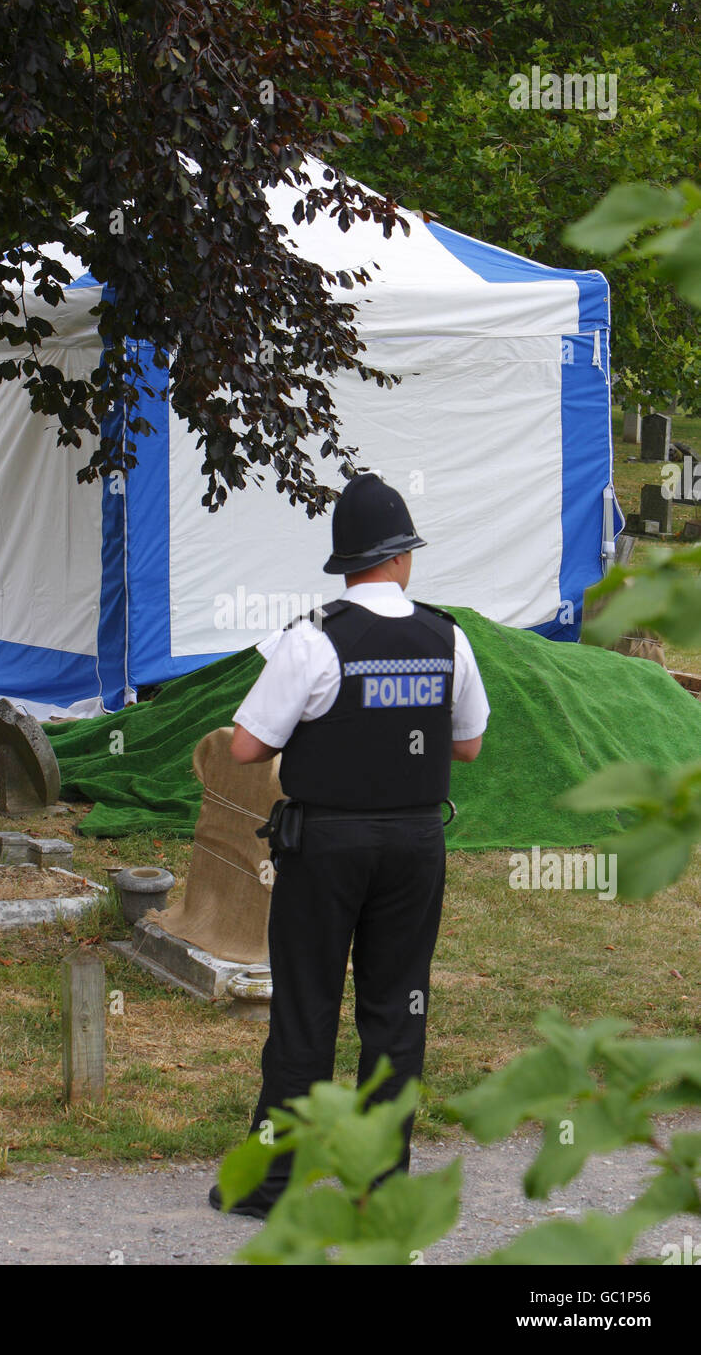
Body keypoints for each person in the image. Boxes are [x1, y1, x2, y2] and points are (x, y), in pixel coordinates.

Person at [209, 471, 489, 1219]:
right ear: (400, 558)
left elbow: (243, 749)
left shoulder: (313, 638)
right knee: (398, 1011)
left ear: (346, 561)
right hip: (416, 844)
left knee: (305, 1009)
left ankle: (270, 1184)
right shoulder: (446, 636)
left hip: (324, 846)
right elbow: (468, 747)